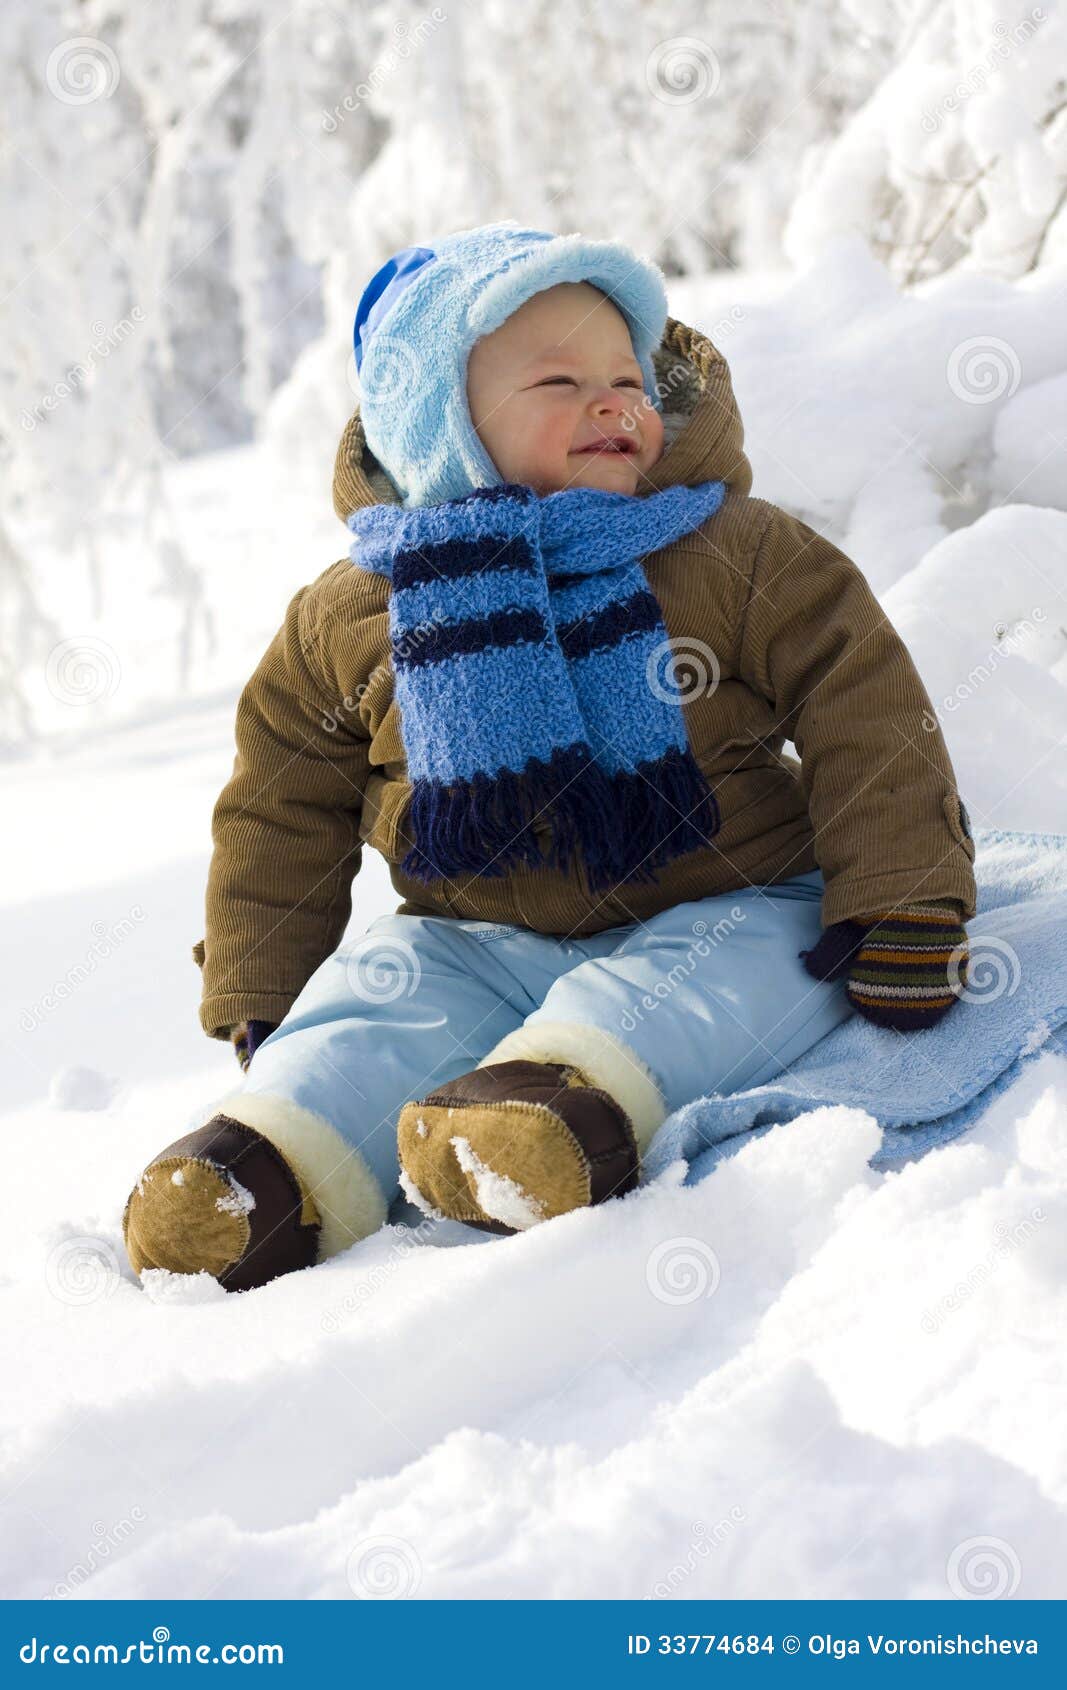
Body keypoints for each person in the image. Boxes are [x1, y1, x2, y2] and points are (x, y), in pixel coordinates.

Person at [122, 221, 976, 1292]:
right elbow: (279, 800)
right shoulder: (353, 615)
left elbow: (865, 710)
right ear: (444, 424)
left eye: (625, 377)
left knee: (718, 983)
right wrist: (266, 983)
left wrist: (901, 897)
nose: (612, 402)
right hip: (472, 932)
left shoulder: (734, 553)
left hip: (726, 897)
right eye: (560, 380)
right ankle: (261, 1171)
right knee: (378, 1006)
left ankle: (548, 1109)